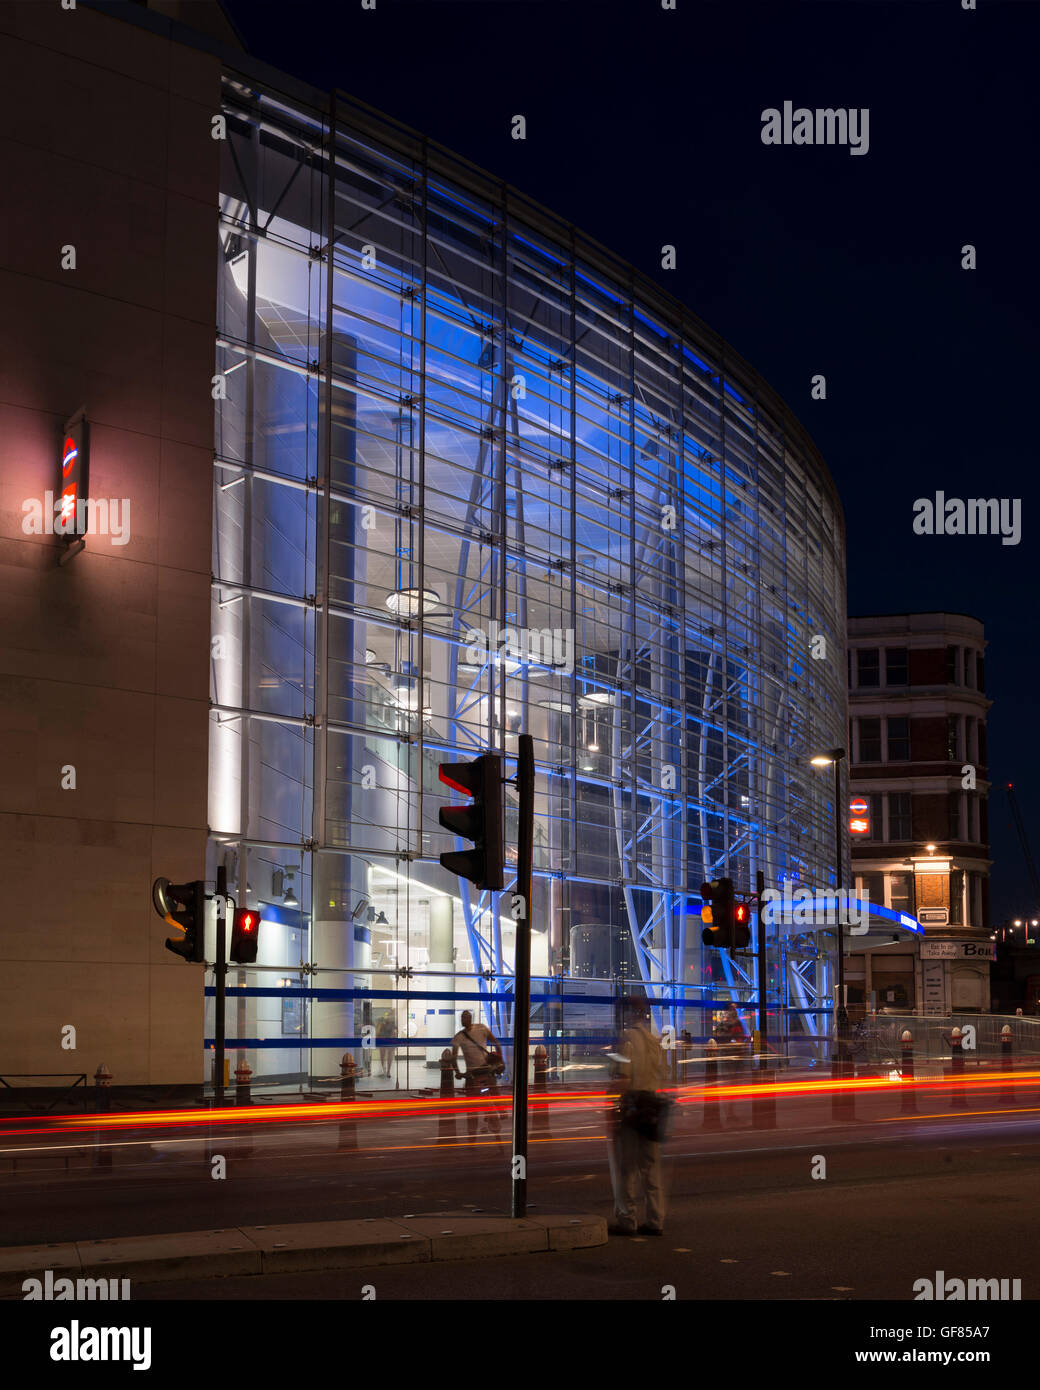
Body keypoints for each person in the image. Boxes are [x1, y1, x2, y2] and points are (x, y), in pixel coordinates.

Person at [607, 999, 666, 1236]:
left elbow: (623, 1076)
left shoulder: (627, 1038)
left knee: (627, 1167)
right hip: (652, 1106)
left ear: (629, 1014)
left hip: (633, 1106)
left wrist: (610, 1099)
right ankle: (655, 1219)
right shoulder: (654, 1041)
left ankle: (627, 1219)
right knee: (651, 1166)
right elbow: (662, 1073)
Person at [451, 1009, 502, 1139]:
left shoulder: (475, 1031)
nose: (463, 1020)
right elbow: (496, 1043)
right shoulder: (460, 1036)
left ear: (470, 1019)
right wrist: (500, 1061)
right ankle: (498, 1111)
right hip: (482, 1072)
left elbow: (453, 1057)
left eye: (465, 1017)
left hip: (475, 1074)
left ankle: (473, 1136)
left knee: (472, 1107)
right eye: (462, 1017)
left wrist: (458, 1073)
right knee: (490, 1094)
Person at [375, 1012, 395, 1078]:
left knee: (389, 1056)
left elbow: (393, 1033)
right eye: (387, 1017)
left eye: (389, 1017)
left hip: (389, 1041)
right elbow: (377, 1033)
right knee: (382, 1055)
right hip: (383, 1040)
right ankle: (384, 1070)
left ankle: (388, 1071)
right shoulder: (381, 1022)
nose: (388, 1018)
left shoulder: (392, 1023)